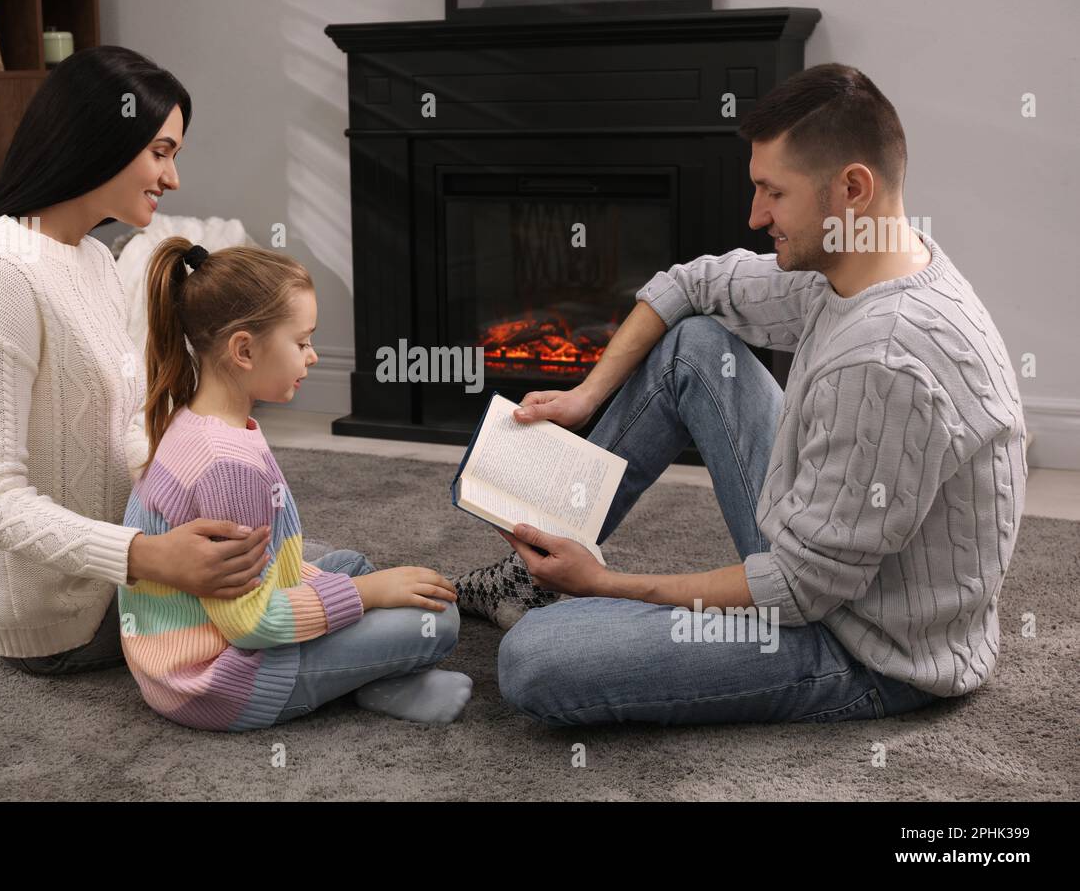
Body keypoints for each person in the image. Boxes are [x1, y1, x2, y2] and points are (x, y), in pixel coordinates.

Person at [451, 63, 1027, 726]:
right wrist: (586, 395)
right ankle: (535, 572)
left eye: (773, 193)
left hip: (870, 648)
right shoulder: (867, 257)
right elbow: (693, 283)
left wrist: (602, 584)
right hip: (821, 557)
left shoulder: (889, 360)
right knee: (694, 344)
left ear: (852, 189)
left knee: (534, 659)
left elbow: (797, 588)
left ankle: (560, 588)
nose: (756, 215)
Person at [0, 46, 271, 676]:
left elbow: (122, 427)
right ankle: (377, 664)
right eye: (161, 152)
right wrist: (150, 556)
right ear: (100, 137)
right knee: (290, 595)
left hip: (122, 559)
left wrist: (197, 490)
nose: (173, 179)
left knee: (297, 561)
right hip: (54, 615)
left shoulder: (92, 259)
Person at [118, 239, 472, 729]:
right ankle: (380, 680)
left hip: (200, 642)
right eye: (302, 342)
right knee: (437, 621)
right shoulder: (227, 467)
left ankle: (373, 673)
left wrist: (362, 586)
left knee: (351, 565)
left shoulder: (199, 419)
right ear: (244, 349)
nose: (312, 356)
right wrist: (366, 595)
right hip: (217, 682)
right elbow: (248, 624)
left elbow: (261, 570)